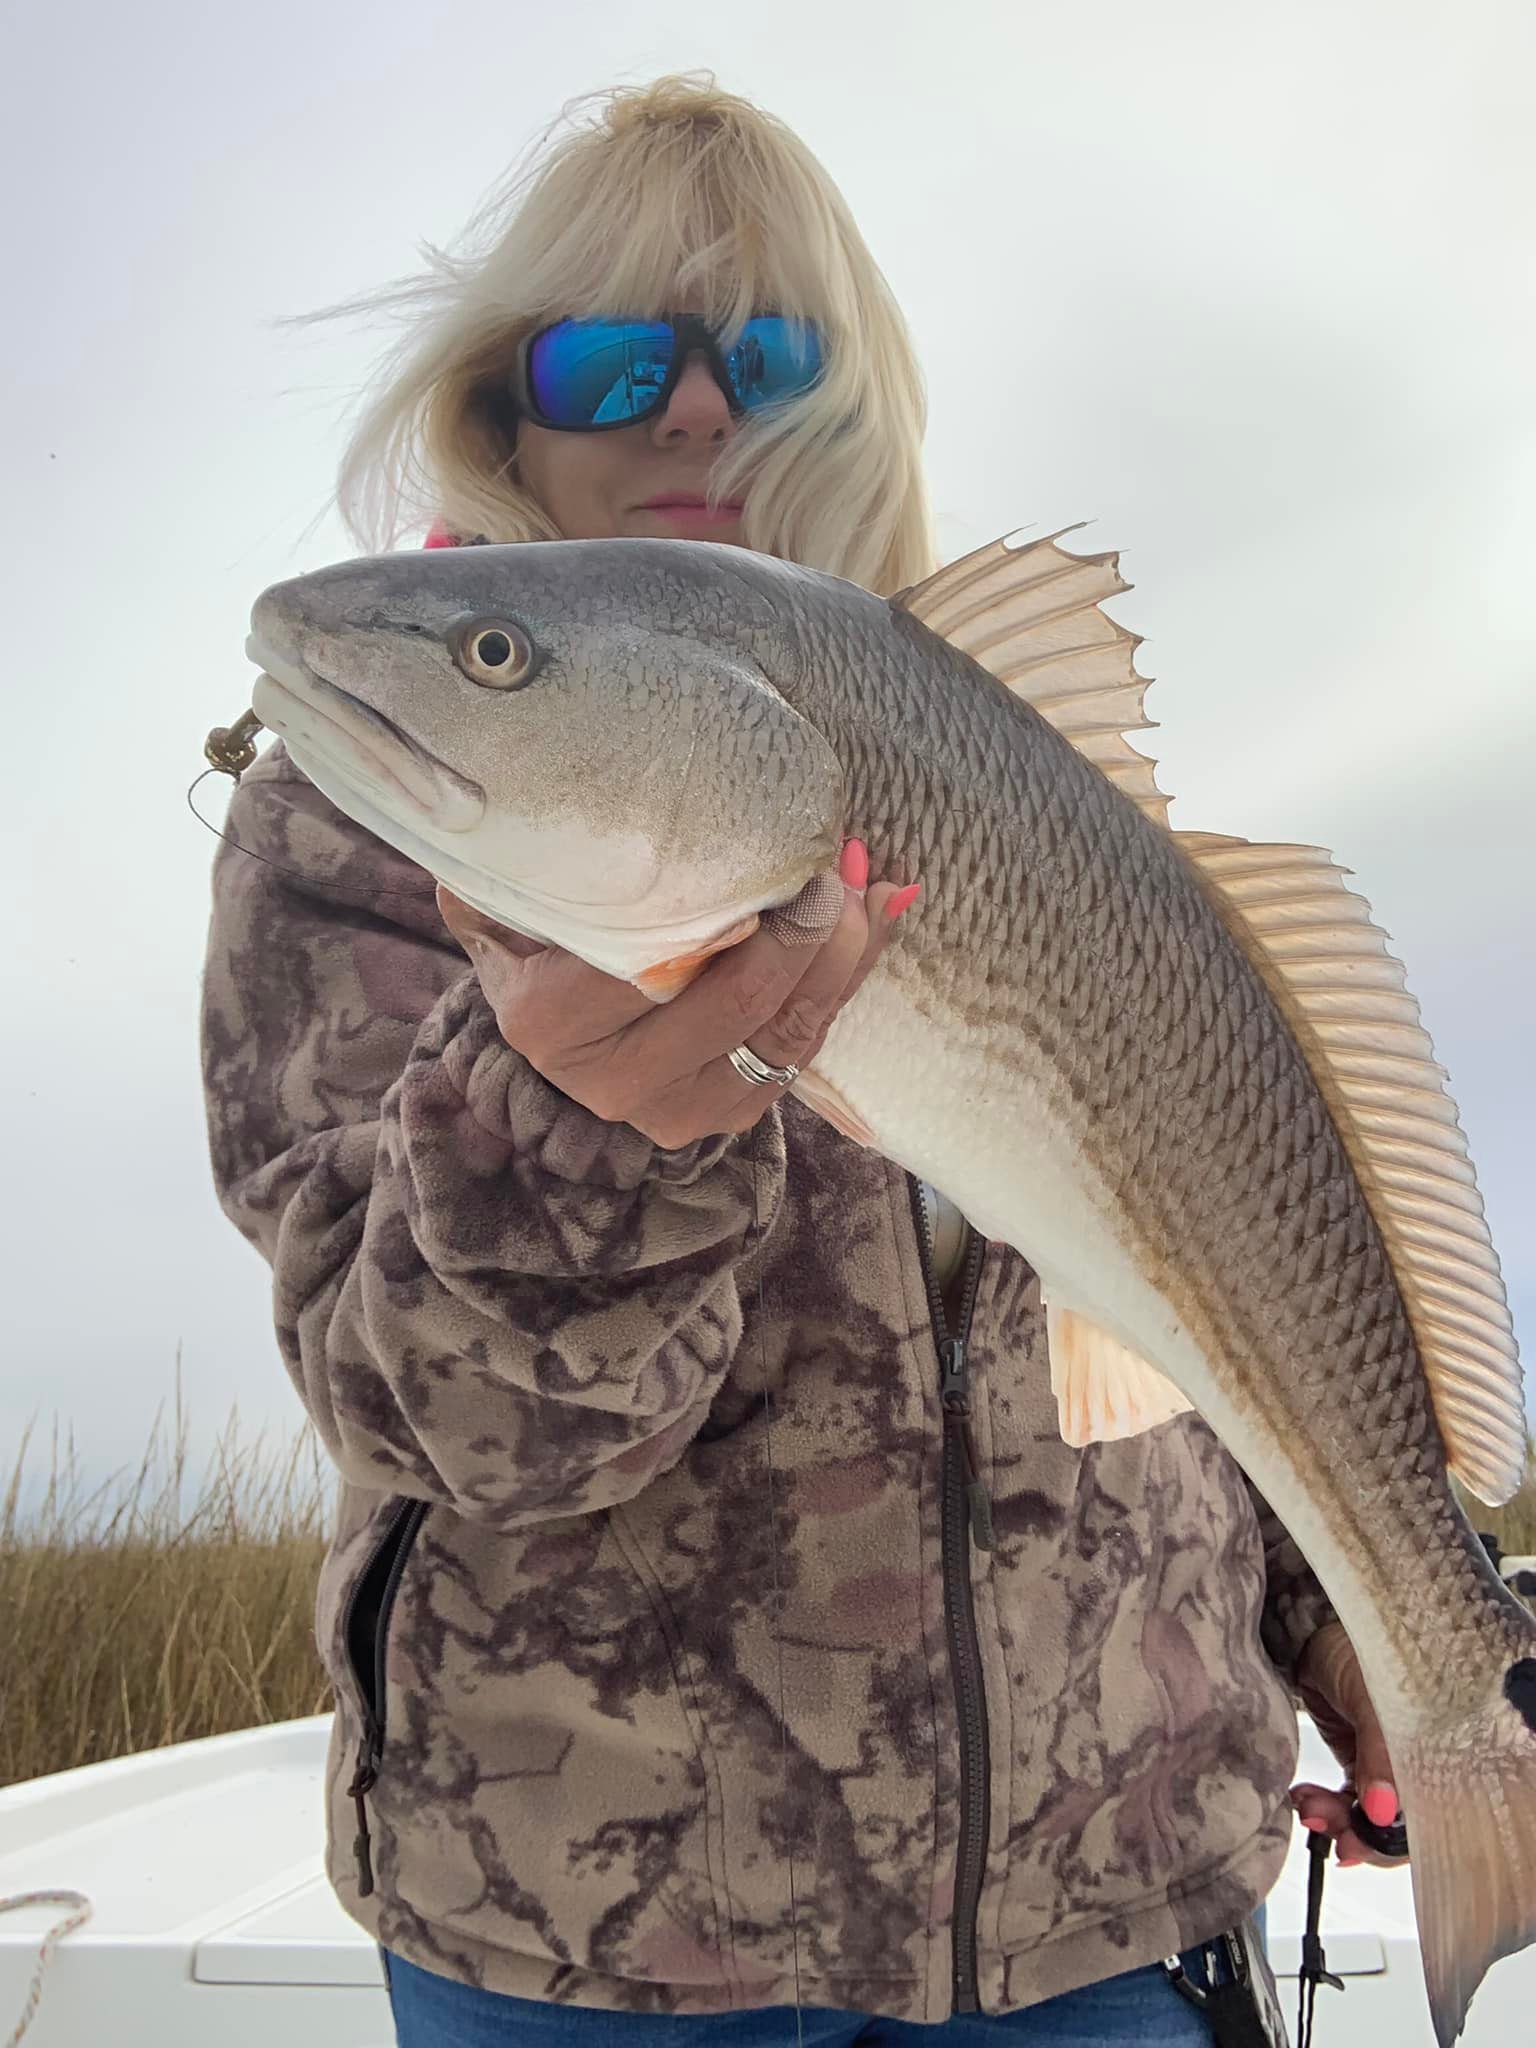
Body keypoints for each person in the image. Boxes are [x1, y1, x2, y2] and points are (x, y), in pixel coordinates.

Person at [200, 73, 1404, 2048]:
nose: (691, 408)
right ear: (501, 413)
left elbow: (1186, 1276)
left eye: (764, 352)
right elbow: (445, 1433)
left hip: (1108, 1896)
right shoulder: (369, 835)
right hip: (599, 1937)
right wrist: (581, 1136)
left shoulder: (1026, 777)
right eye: (608, 357)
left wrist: (1340, 1604)